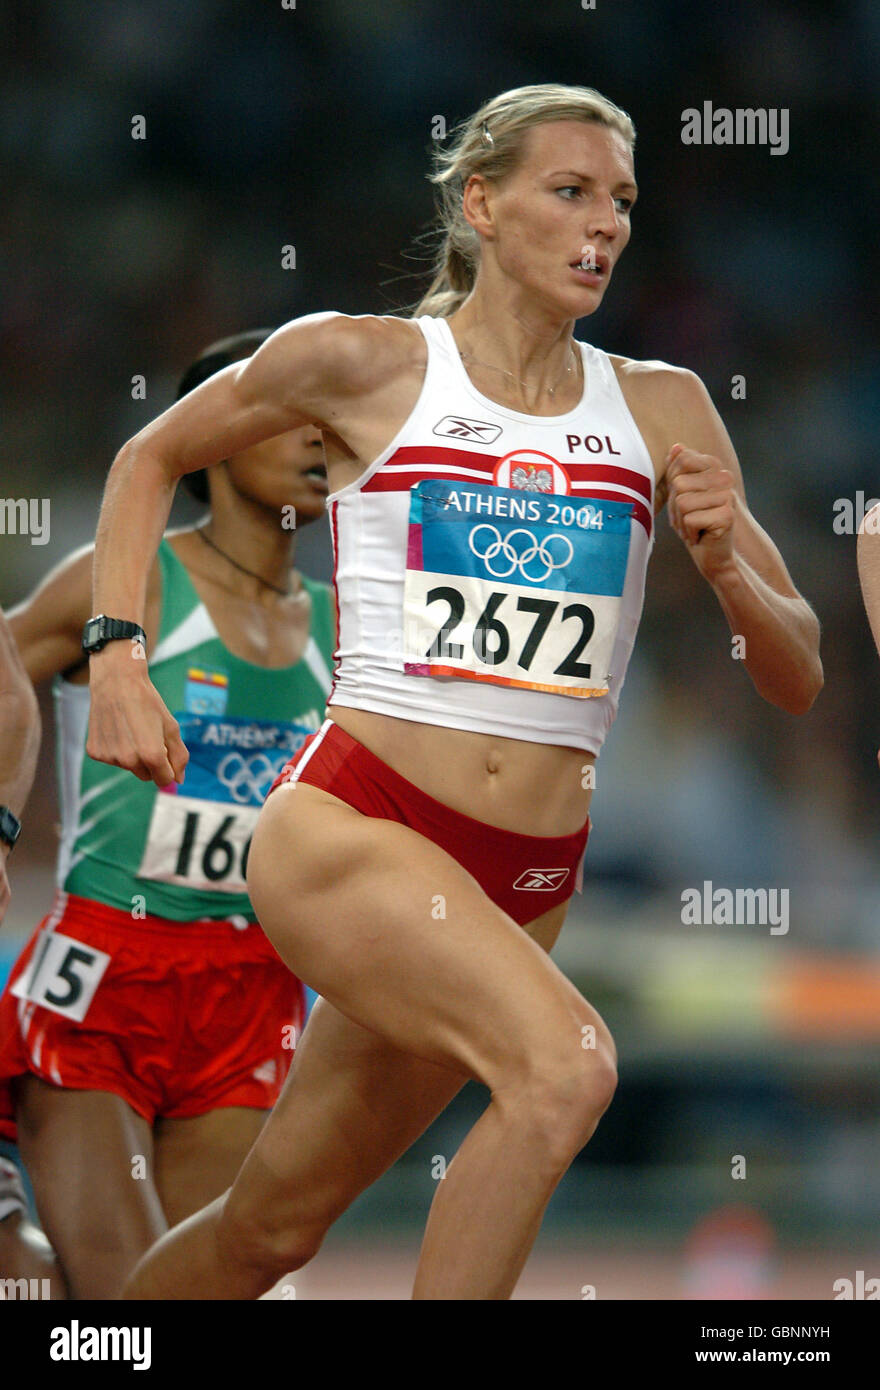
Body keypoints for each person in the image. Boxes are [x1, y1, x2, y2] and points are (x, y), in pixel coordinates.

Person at [85, 84, 822, 1301]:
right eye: (570, 191)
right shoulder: (365, 362)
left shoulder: (662, 405)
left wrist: (731, 565)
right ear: (480, 203)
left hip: (524, 878)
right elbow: (147, 453)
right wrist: (116, 656)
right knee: (567, 1069)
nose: (606, 225)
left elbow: (795, 673)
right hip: (356, 831)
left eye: (623, 200)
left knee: (275, 1224)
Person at [0, 330, 335, 1298]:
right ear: (217, 441)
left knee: (176, 1295)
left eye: (329, 419)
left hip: (253, 994)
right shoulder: (134, 579)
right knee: (120, 1312)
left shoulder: (342, 623)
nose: (321, 439)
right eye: (290, 417)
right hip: (106, 975)